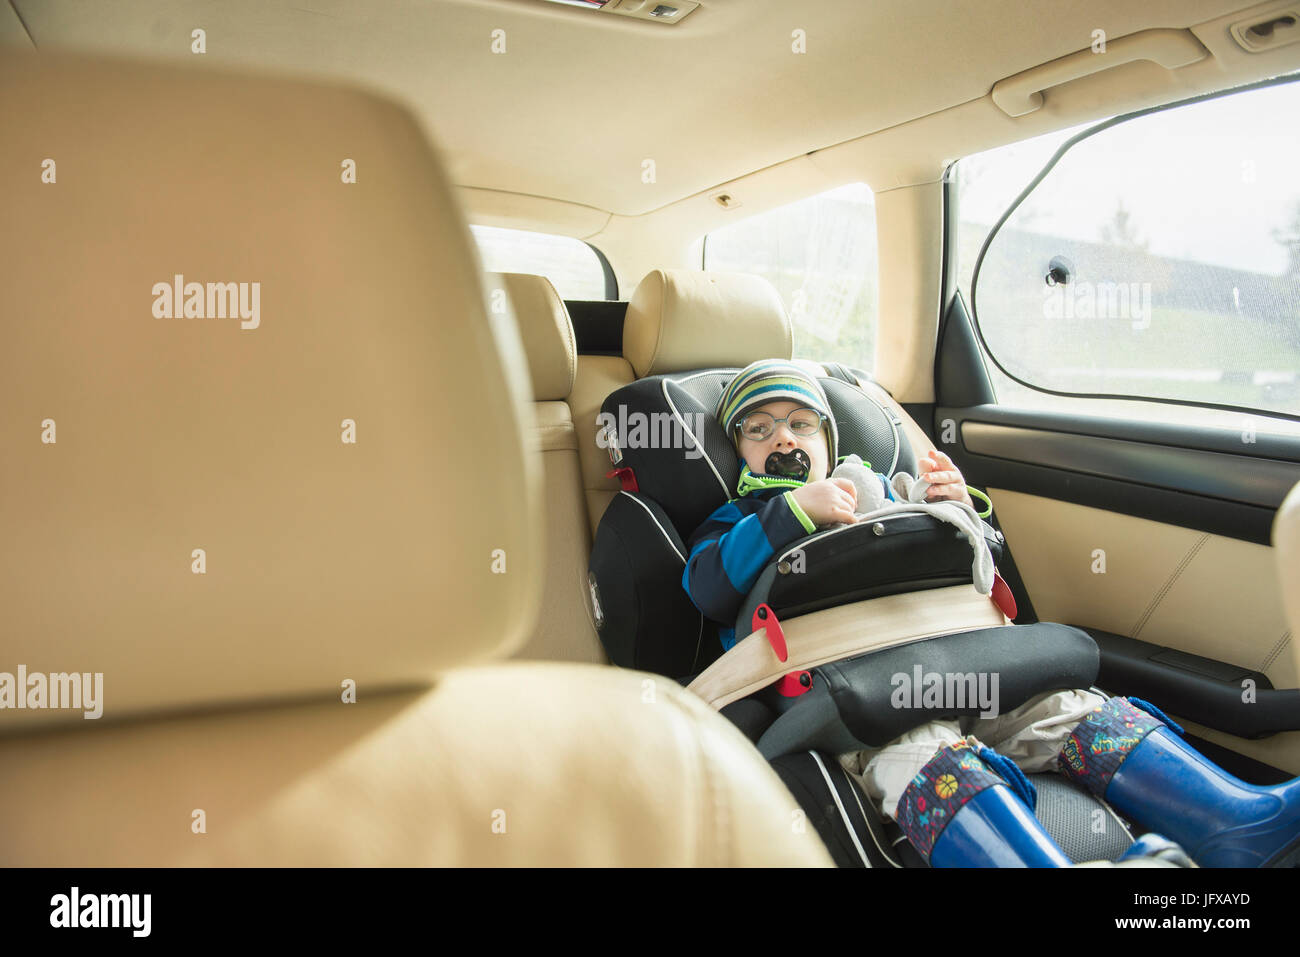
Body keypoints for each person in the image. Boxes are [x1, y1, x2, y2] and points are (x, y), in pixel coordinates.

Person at [682, 359, 1300, 867]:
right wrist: (789, 514)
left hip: (970, 659)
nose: (783, 438)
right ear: (738, 455)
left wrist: (956, 509)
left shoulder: (887, 491)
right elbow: (706, 587)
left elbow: (973, 571)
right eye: (757, 430)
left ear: (828, 439)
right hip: (858, 694)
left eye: (800, 424)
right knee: (921, 752)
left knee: (1070, 707)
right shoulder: (741, 521)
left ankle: (1234, 822)